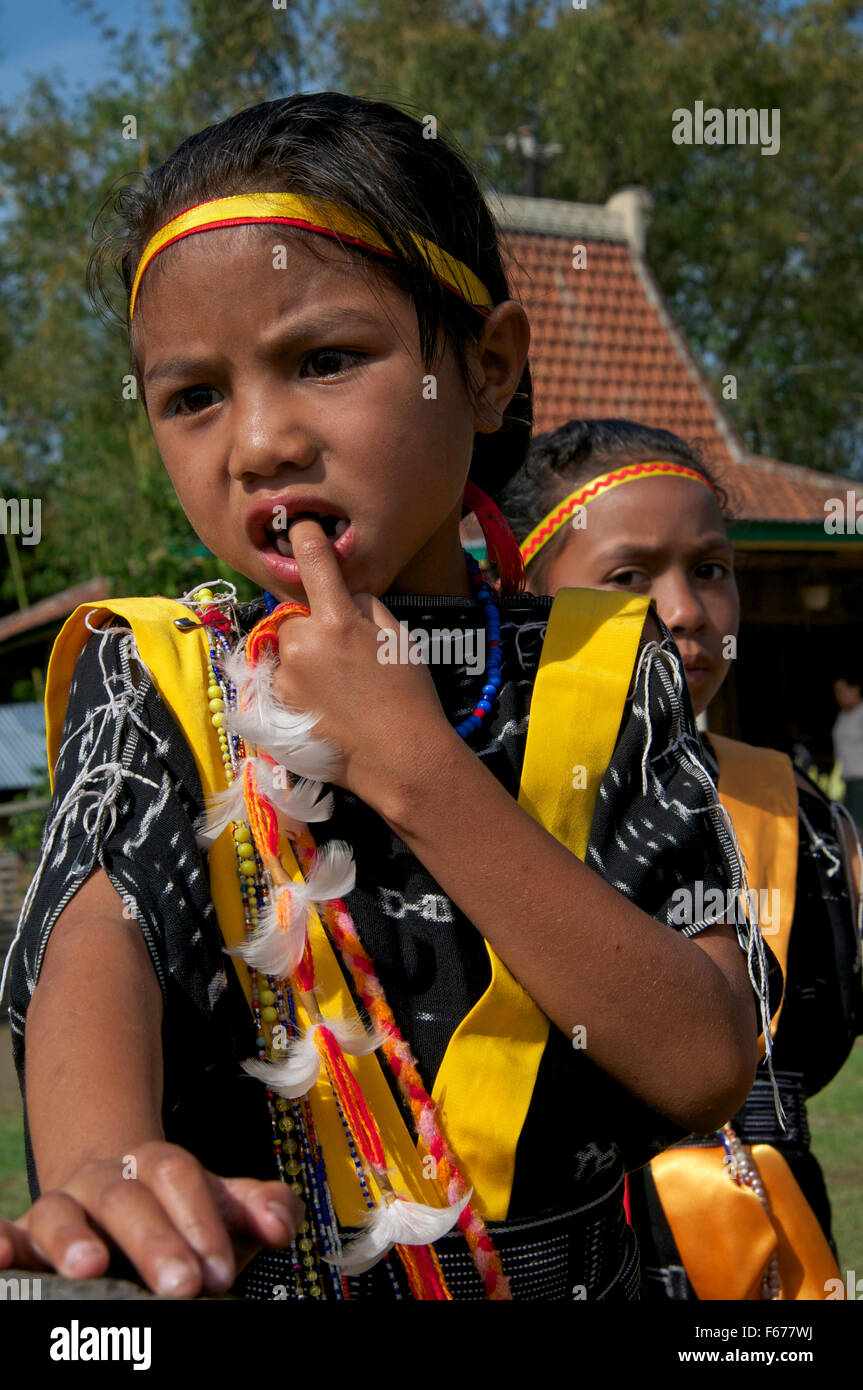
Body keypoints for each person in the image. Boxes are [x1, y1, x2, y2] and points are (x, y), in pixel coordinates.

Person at [0, 98, 770, 1303]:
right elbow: (103, 929)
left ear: (485, 368)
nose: (257, 443)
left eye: (323, 360)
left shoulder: (605, 666)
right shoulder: (161, 672)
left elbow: (704, 1059)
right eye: (193, 395)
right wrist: (105, 1154)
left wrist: (412, 762)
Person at [500, 417, 863, 1298]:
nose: (687, 611)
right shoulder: (475, 818)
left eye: (709, 570)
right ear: (524, 592)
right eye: (629, 576)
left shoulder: (803, 820)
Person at [833, 670, 863, 830]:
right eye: (837, 692)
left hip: (861, 780)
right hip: (847, 781)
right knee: (848, 828)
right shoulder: (843, 716)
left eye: (842, 690)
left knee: (858, 829)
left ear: (855, 689)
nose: (839, 696)